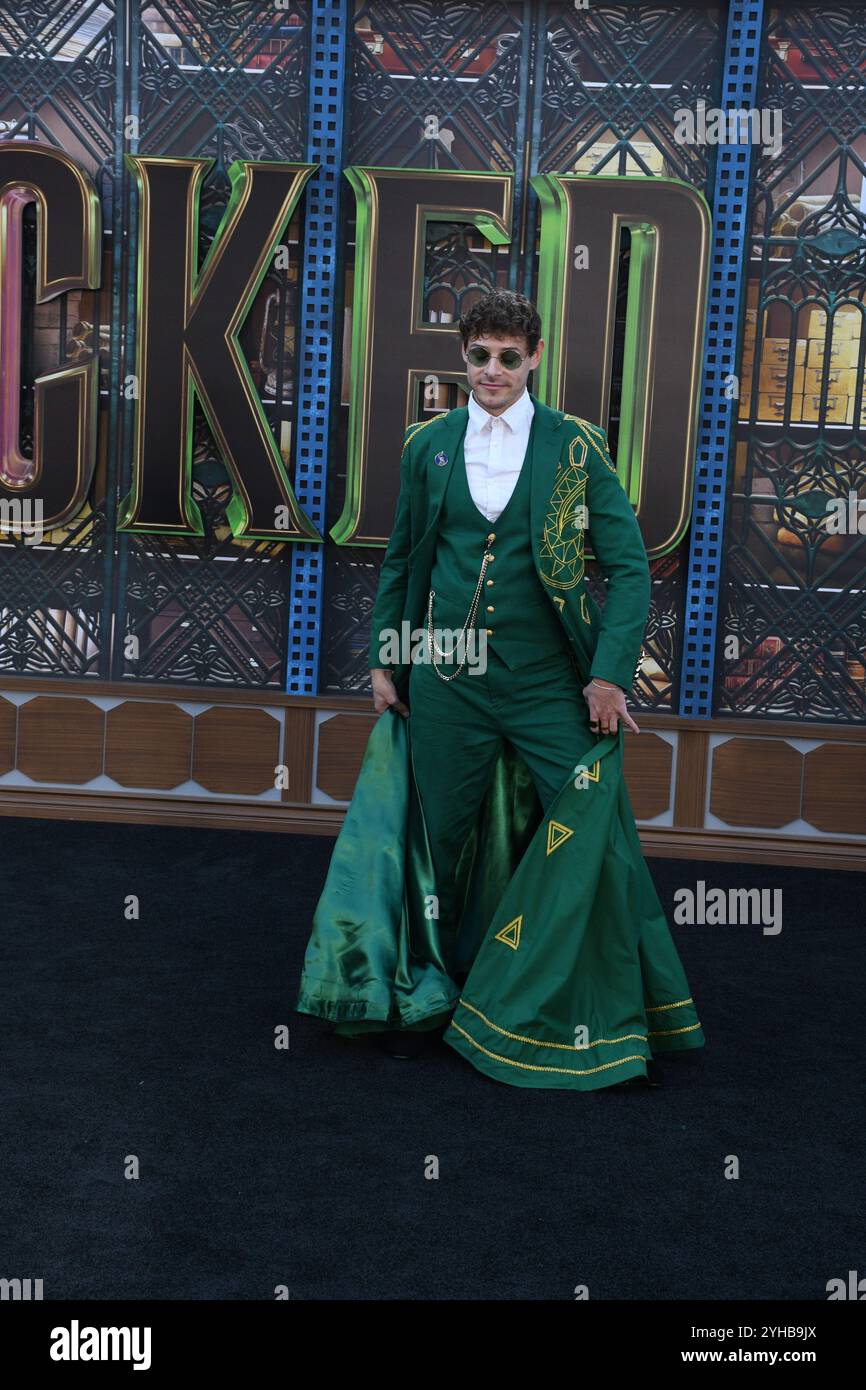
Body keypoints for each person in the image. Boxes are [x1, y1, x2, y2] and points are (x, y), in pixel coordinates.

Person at [296, 289, 704, 1091]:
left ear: (535, 359)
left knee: (587, 824)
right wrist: (387, 657)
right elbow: (405, 558)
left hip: (548, 682)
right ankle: (429, 999)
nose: (492, 370)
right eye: (480, 355)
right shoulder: (430, 446)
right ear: (464, 358)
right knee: (438, 843)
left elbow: (628, 571)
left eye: (508, 357)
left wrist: (609, 674)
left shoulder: (576, 448)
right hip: (445, 675)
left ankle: (596, 1005)